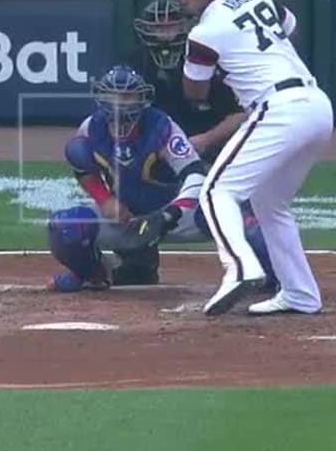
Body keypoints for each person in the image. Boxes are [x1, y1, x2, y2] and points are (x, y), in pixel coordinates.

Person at [166, 0, 333, 317]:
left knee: (214, 192)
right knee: (269, 203)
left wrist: (225, 68)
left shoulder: (205, 32)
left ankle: (240, 267)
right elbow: (288, 26)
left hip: (279, 109)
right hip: (317, 106)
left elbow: (194, 92)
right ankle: (300, 293)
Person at [46, 65, 275, 293]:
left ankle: (274, 281)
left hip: (180, 215)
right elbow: (82, 168)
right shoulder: (91, 128)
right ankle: (94, 276)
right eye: (113, 96)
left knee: (244, 221)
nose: (120, 103)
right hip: (131, 217)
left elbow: (194, 174)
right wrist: (105, 200)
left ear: (142, 99)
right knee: (66, 226)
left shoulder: (162, 127)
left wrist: (168, 215)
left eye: (127, 97)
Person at [131, 0, 244, 163]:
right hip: (152, 149)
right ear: (146, 28)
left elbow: (239, 115)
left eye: (170, 26)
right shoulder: (134, 61)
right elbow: (118, 110)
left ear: (183, 25)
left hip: (206, 148)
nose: (165, 32)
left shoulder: (204, 56)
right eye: (158, 27)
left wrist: (206, 140)